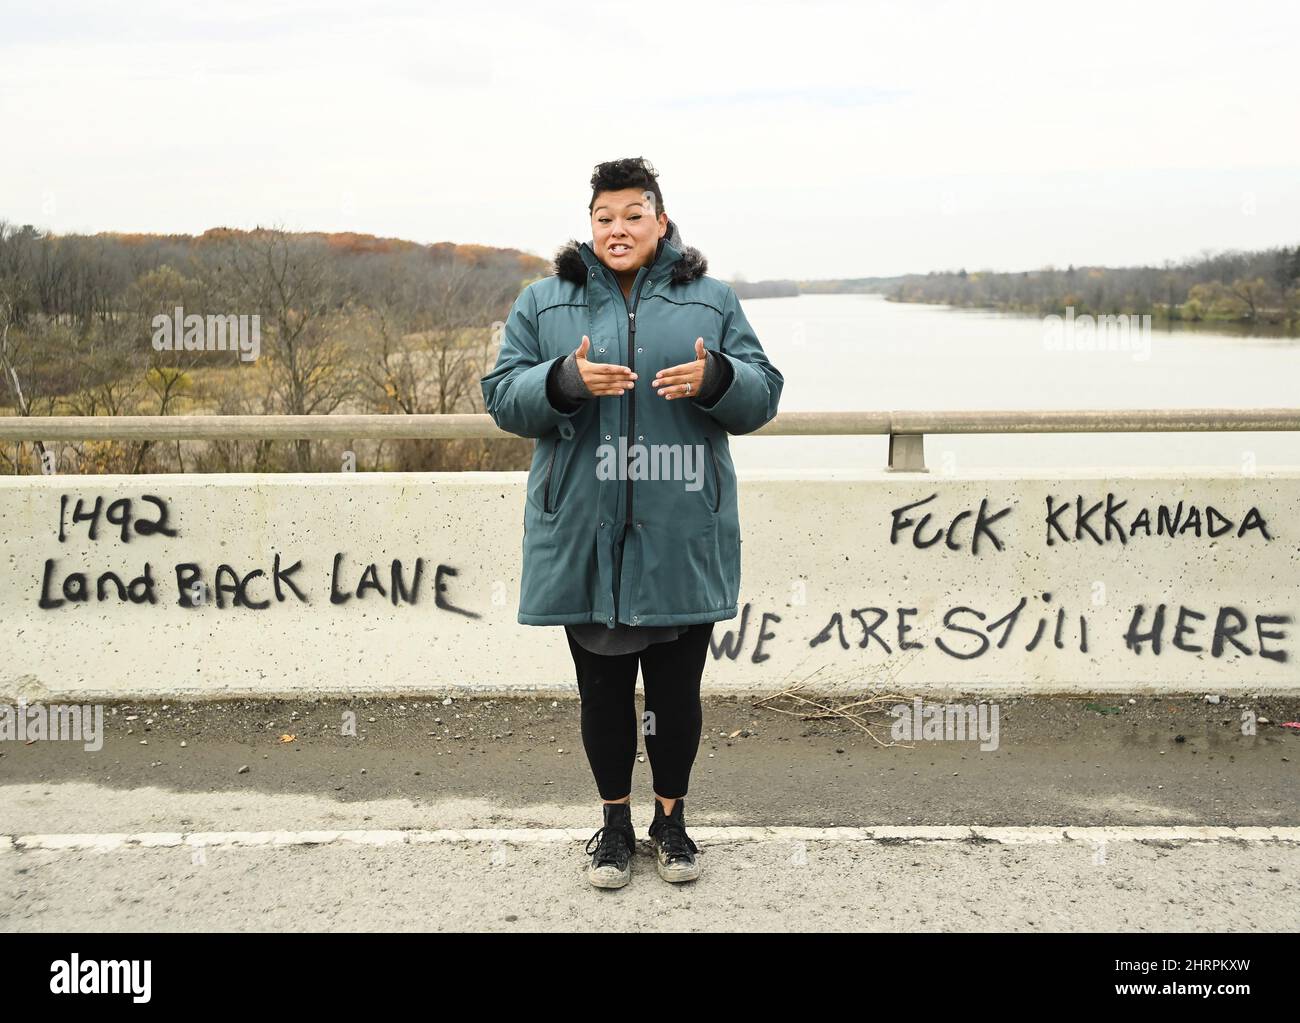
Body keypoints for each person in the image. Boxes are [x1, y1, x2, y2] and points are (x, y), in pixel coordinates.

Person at [480, 157, 783, 889]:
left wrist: (717, 381)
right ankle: (613, 826)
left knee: (677, 700)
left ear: (661, 221)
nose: (618, 228)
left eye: (632, 215)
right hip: (584, 535)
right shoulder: (546, 301)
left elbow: (763, 393)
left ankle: (671, 822)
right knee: (605, 698)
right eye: (604, 217)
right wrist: (561, 381)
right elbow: (502, 396)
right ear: (590, 226)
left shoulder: (711, 301)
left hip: (681, 533)